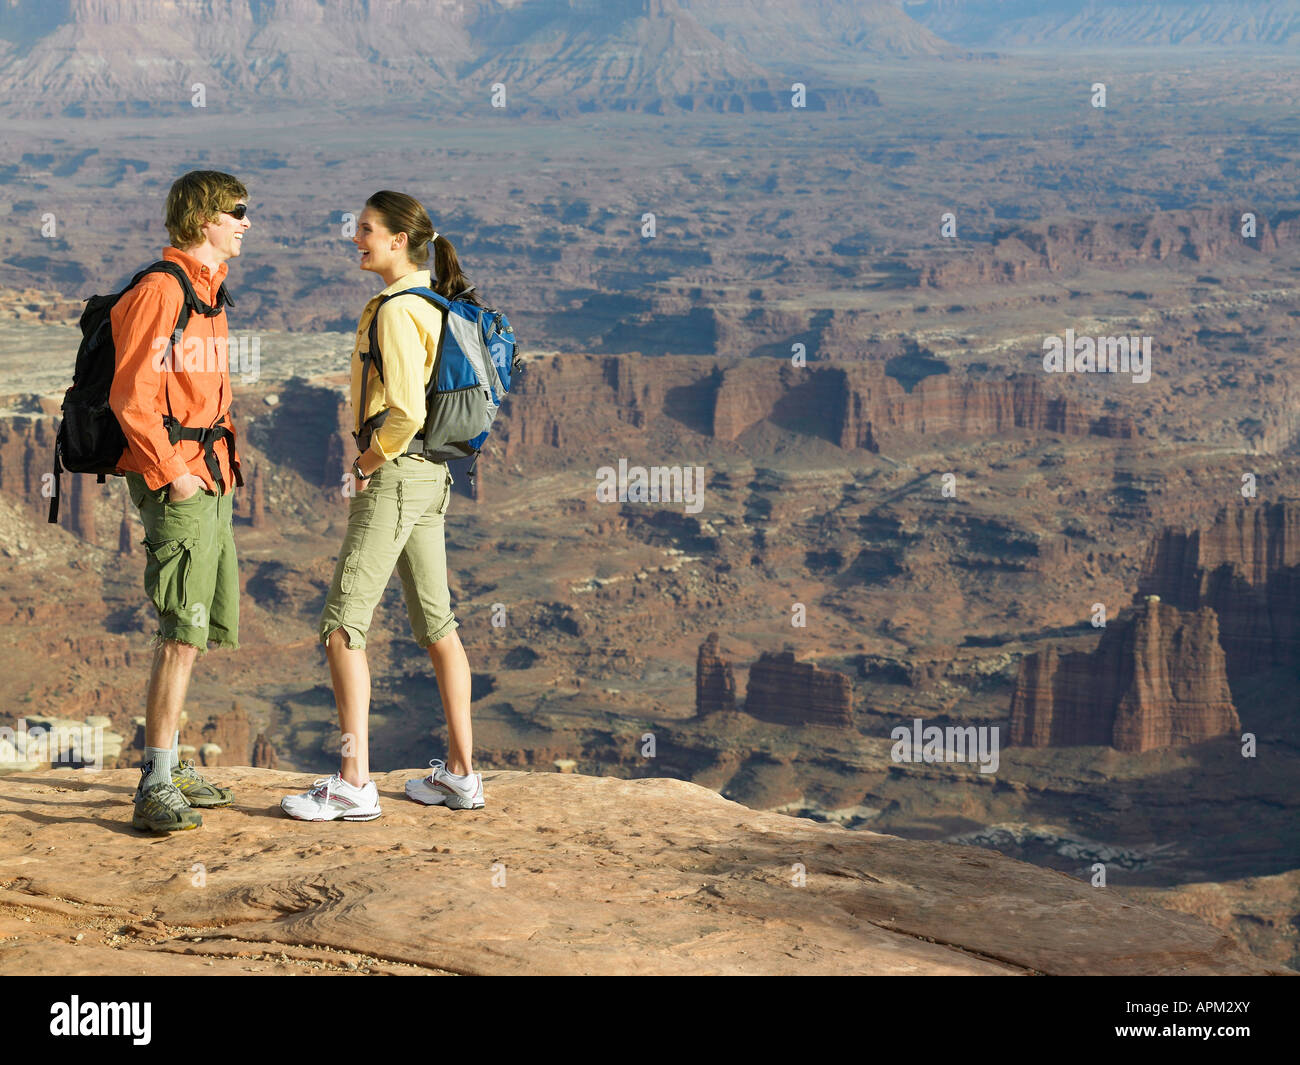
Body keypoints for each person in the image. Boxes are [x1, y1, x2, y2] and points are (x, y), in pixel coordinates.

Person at [280, 190, 482, 822]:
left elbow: (406, 412)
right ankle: (461, 776)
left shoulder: (397, 310)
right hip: (432, 477)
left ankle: (353, 781)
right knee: (439, 628)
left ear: (399, 239)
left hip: (396, 475)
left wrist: (367, 463)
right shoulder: (434, 301)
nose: (355, 239)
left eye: (365, 230)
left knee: (343, 627)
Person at [110, 170, 251, 833]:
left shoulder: (209, 294)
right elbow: (130, 398)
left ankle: (169, 762)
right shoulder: (160, 293)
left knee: (193, 632)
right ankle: (155, 781)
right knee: (177, 630)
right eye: (237, 212)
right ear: (203, 221)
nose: (246, 223)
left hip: (211, 476)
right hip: (182, 482)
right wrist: (175, 474)